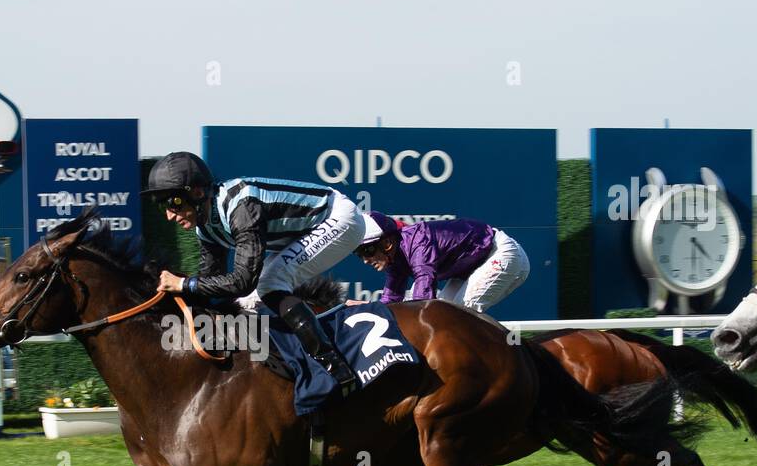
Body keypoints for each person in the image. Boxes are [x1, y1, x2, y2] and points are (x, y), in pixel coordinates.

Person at [145, 151, 363, 392]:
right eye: (162, 205)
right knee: (252, 299)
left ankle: (335, 368)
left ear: (197, 193)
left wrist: (184, 284)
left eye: (173, 202)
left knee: (268, 283)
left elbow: (243, 280)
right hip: (306, 232)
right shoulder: (206, 228)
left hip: (339, 219)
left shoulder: (242, 207)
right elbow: (211, 286)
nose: (168, 215)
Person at [353, 211, 530, 311]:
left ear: (387, 243)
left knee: (458, 313)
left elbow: (422, 301)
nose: (365, 260)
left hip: (501, 253)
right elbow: (391, 301)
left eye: (367, 251)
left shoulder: (418, 244)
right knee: (447, 313)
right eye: (359, 254)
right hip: (476, 265)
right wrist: (365, 310)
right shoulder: (394, 259)